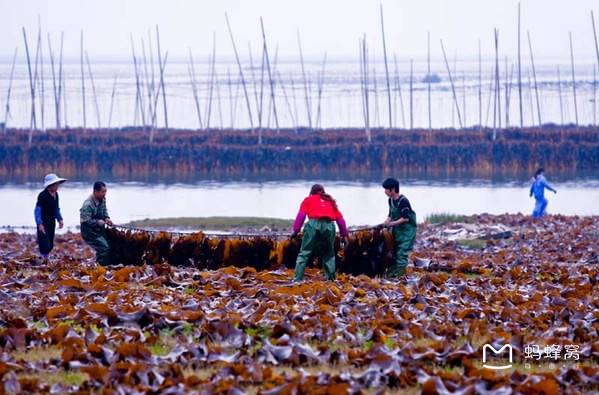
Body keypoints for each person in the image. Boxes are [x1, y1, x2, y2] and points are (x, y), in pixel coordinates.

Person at [292, 184, 349, 281]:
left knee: (304, 252)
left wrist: (295, 231)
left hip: (312, 225)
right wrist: (344, 234)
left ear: (311, 192)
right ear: (323, 191)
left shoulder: (308, 200)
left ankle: (297, 279)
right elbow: (340, 220)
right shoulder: (330, 201)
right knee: (328, 253)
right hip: (329, 226)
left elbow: (301, 216)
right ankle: (330, 279)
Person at [381, 178, 417, 278]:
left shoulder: (403, 201)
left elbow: (405, 219)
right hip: (397, 231)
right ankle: (392, 275)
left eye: (386, 189)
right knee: (394, 254)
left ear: (392, 189)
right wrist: (384, 223)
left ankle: (400, 277)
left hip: (407, 232)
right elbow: (390, 215)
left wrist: (391, 224)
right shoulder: (391, 200)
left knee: (401, 254)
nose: (385, 192)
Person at [34, 173, 67, 263]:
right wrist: (39, 223)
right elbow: (37, 210)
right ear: (49, 185)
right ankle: (44, 258)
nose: (57, 186)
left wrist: (60, 219)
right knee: (44, 241)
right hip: (43, 221)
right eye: (55, 184)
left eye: (57, 184)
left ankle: (46, 257)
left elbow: (56, 208)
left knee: (50, 241)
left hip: (51, 220)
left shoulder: (56, 195)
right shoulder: (42, 195)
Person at [80, 181, 113, 265]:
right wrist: (97, 222)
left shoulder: (102, 199)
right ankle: (100, 267)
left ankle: (106, 264)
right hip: (88, 232)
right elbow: (85, 221)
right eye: (103, 192)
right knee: (104, 247)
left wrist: (107, 218)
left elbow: (104, 210)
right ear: (95, 191)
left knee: (112, 244)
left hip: (99, 229)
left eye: (105, 191)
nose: (105, 194)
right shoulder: (87, 205)